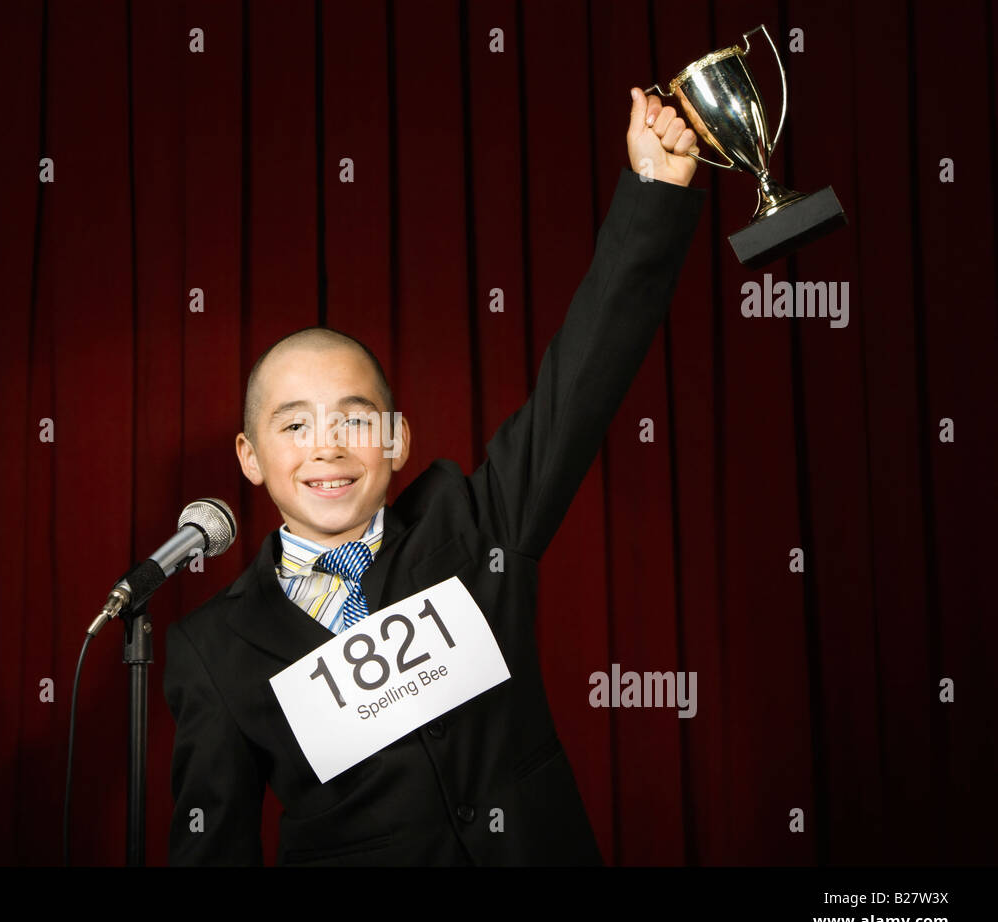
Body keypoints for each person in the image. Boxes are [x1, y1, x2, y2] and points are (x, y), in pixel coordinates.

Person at [162, 88, 706, 864]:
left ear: (396, 440)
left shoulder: (476, 525)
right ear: (249, 457)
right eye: (293, 425)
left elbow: (581, 385)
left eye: (354, 419)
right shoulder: (212, 647)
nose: (327, 446)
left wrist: (652, 191)